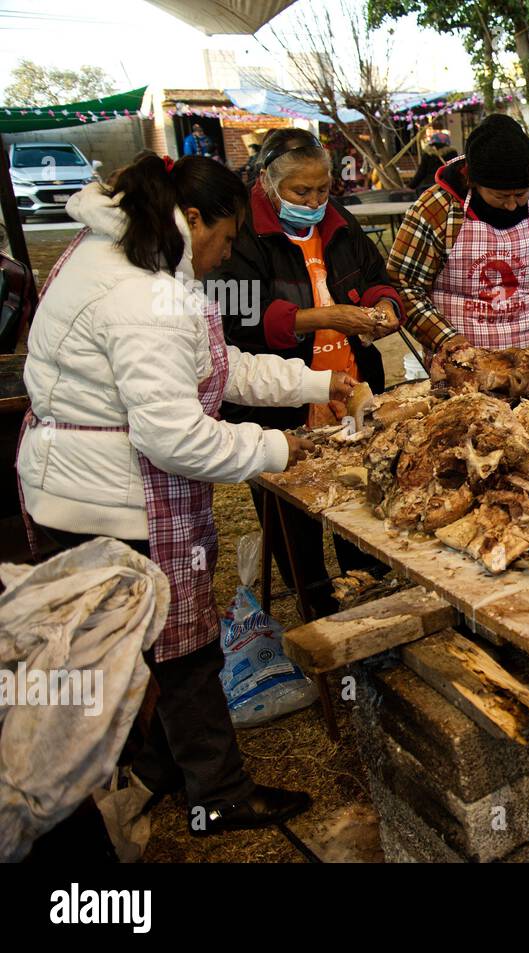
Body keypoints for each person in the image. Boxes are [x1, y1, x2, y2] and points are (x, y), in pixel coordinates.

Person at [17, 153, 355, 834]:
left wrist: (318, 384)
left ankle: (163, 770)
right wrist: (277, 449)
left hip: (76, 484)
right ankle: (213, 795)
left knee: (147, 652)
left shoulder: (127, 252)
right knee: (180, 654)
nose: (227, 256)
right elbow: (173, 436)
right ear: (192, 218)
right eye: (225, 239)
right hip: (107, 502)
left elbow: (215, 369)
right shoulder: (143, 297)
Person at [214, 128, 400, 618]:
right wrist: (322, 318)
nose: (315, 201)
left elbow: (376, 277)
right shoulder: (241, 234)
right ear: (268, 182)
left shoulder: (339, 222)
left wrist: (383, 305)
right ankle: (314, 604)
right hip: (277, 401)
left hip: (349, 386)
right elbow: (235, 316)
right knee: (294, 515)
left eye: (322, 189)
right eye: (301, 191)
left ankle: (370, 597)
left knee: (360, 502)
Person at [387, 113, 529, 357]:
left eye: (521, 194)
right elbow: (404, 284)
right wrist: (447, 341)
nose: (512, 205)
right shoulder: (436, 209)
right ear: (473, 183)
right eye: (501, 196)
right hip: (462, 362)